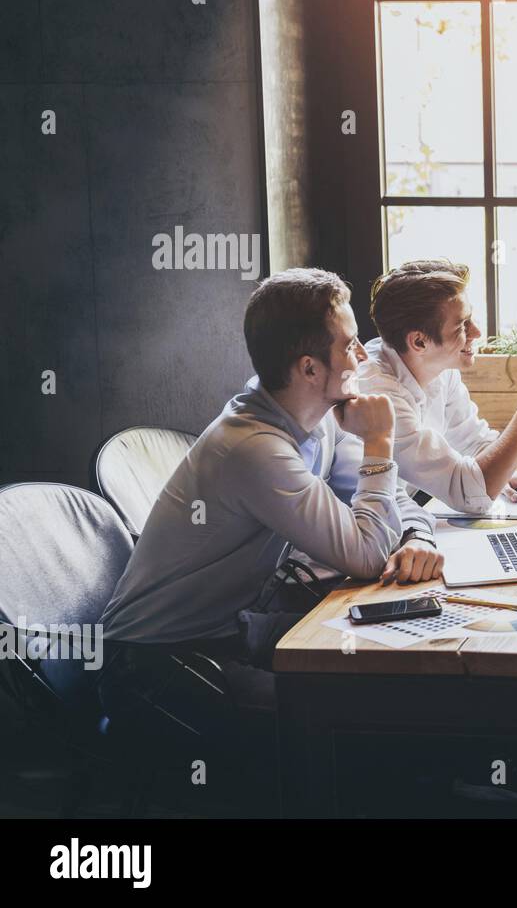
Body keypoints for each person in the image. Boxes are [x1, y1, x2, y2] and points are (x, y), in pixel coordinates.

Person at [98, 268, 441, 777]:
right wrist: (380, 442)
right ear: (308, 368)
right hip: (164, 670)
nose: (363, 357)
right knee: (358, 716)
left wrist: (417, 534)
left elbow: (380, 495)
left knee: (397, 657)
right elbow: (368, 554)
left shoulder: (314, 416)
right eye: (349, 346)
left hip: (234, 629)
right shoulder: (254, 448)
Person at [359, 259, 517, 514]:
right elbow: (469, 495)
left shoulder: (439, 368)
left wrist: (508, 473)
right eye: (462, 325)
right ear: (419, 342)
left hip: (410, 515)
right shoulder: (379, 395)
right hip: (373, 535)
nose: (477, 332)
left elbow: (475, 443)